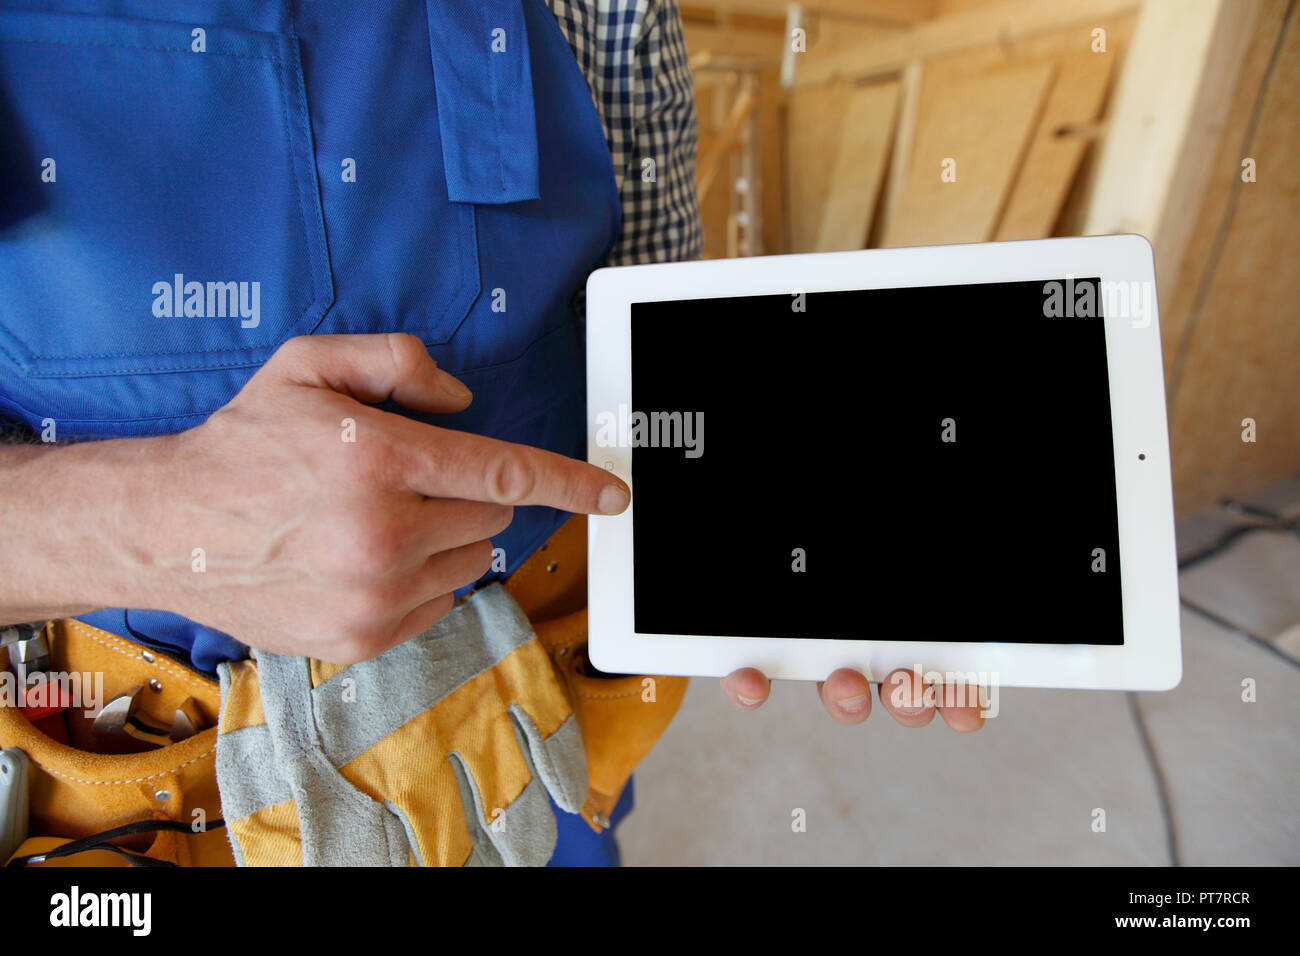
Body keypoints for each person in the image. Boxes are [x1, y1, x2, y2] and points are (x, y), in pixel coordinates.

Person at [0, 0, 979, 868]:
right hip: (167, 778)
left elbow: (649, 368)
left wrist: (799, 554)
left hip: (535, 737)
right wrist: (164, 528)